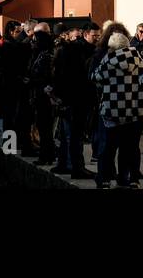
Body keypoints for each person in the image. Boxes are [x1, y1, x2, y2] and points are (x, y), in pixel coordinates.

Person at [91, 31, 143, 188]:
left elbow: (95, 77)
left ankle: (104, 179)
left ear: (112, 47)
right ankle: (127, 178)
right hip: (136, 111)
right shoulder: (139, 59)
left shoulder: (109, 60)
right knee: (129, 147)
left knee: (108, 147)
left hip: (113, 111)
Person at [51, 24, 93, 178]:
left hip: (66, 99)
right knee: (73, 135)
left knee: (67, 134)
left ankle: (65, 164)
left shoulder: (65, 51)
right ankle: (75, 167)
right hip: (74, 100)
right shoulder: (75, 52)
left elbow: (59, 75)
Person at [0, 20, 33, 151]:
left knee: (10, 116)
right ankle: (9, 145)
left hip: (10, 85)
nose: (19, 34)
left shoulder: (9, 45)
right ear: (11, 32)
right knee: (10, 117)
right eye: (17, 32)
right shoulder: (9, 46)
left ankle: (10, 144)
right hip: (10, 86)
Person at [27, 28, 57, 165]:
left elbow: (45, 77)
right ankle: (47, 154)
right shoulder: (42, 54)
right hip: (40, 94)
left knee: (44, 127)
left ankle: (46, 155)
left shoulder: (45, 56)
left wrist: (31, 81)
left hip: (43, 96)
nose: (32, 43)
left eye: (35, 40)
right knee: (44, 127)